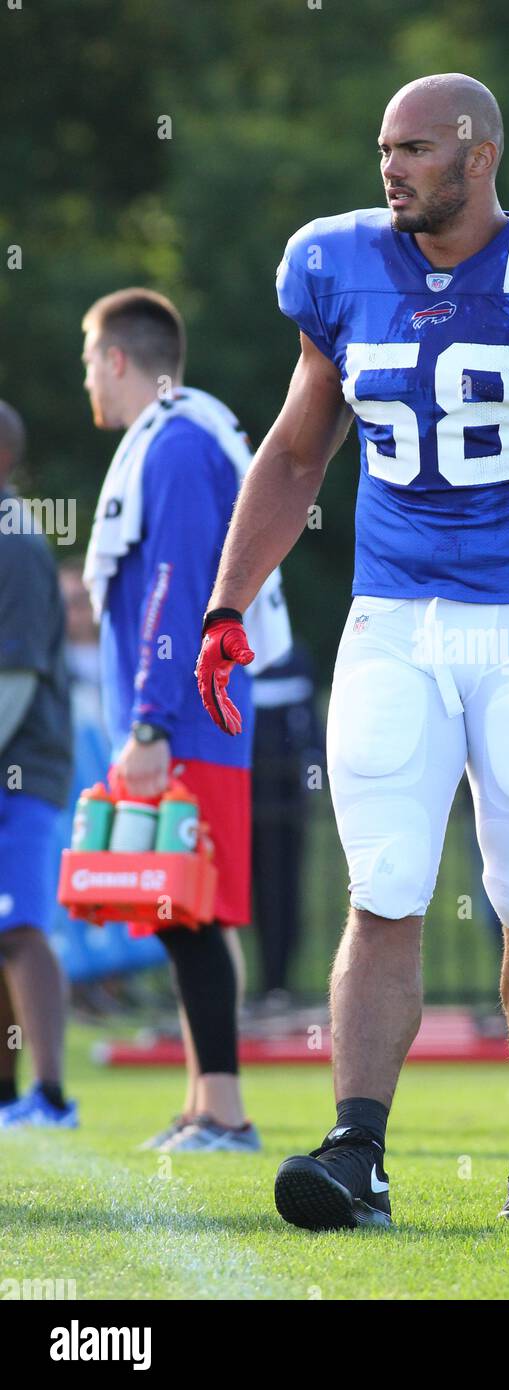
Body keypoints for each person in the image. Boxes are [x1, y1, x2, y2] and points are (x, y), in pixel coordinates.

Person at [196, 72, 509, 1227]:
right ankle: (355, 1150)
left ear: (477, 155)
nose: (391, 167)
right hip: (390, 621)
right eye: (384, 147)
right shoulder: (340, 266)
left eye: (415, 148)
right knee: (383, 887)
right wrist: (227, 605)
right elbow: (292, 454)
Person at [81, 288, 290, 1151]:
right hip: (187, 716)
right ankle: (206, 1102)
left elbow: (175, 591)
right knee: (180, 911)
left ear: (121, 360)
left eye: (89, 359)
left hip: (188, 719)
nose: (86, 377)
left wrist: (152, 723)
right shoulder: (172, 439)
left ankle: (227, 1112)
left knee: (192, 911)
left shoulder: (174, 447)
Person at [0, 401, 76, 1128]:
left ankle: (50, 1095)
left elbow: (15, 678)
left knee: (20, 926)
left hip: (20, 766)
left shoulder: (14, 539)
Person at [250, 638, 323, 1001]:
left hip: (284, 794)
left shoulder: (294, 659)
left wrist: (313, 779)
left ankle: (277, 983)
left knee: (282, 888)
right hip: (241, 790)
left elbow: (310, 729)